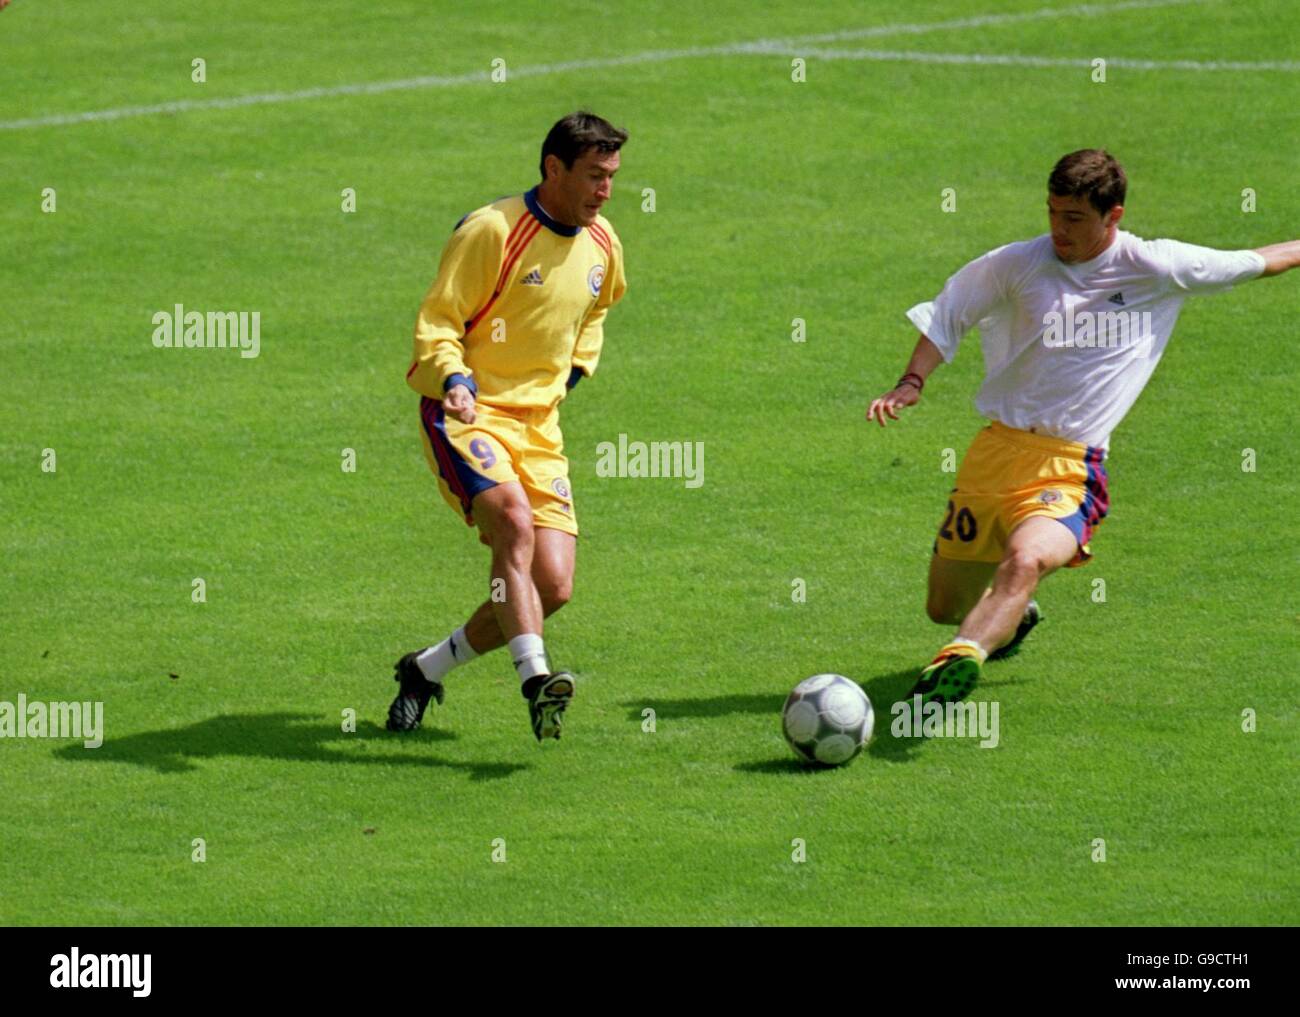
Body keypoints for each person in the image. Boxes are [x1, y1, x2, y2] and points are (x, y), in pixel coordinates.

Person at [867, 148, 1298, 706]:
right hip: (993, 456)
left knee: (1025, 560)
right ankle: (1009, 616)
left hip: (1070, 466)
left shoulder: (1155, 267)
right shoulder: (1016, 263)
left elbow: (1259, 260)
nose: (1058, 229)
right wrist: (911, 382)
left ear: (1113, 216)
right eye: (1052, 212)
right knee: (943, 606)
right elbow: (950, 313)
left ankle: (959, 659)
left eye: (1073, 218)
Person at [387, 111, 628, 740]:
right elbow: (439, 319)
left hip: (540, 427)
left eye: (612, 176)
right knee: (513, 526)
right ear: (554, 169)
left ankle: (424, 670)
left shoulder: (603, 243)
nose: (606, 191)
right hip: (468, 413)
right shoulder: (492, 230)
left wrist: (572, 373)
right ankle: (535, 680)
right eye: (594, 176)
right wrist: (454, 378)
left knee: (552, 585)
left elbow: (597, 310)